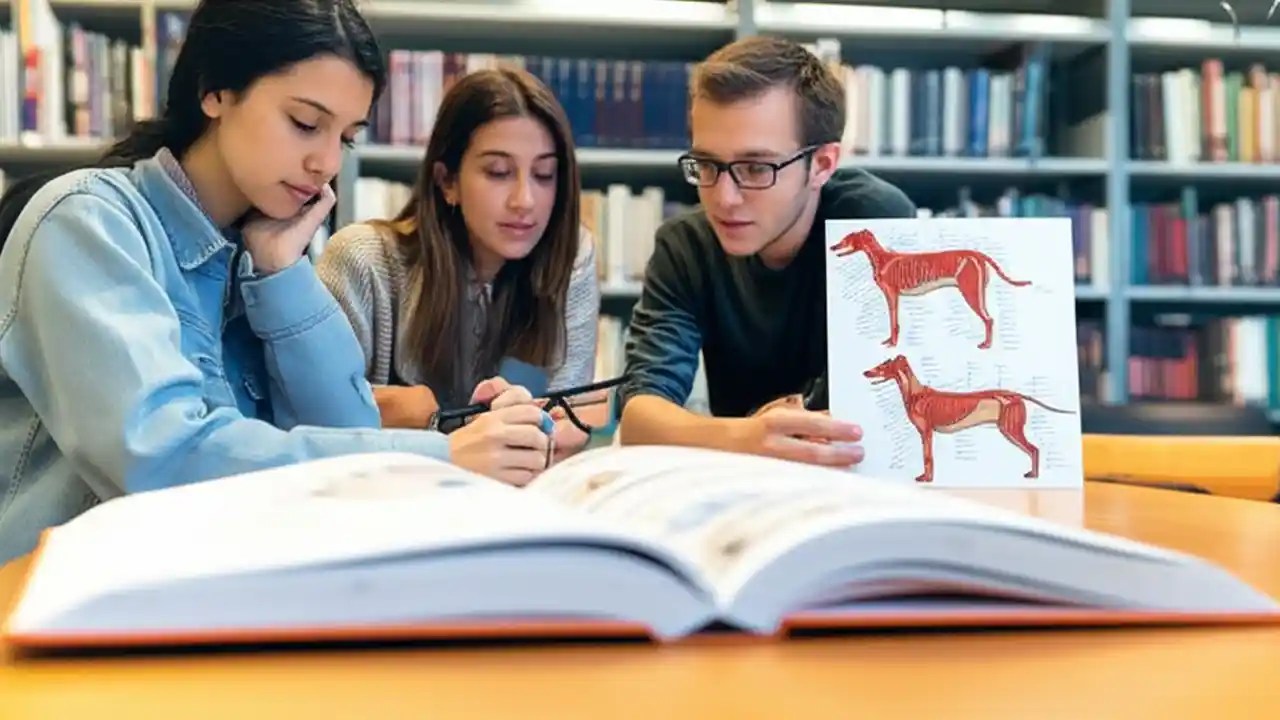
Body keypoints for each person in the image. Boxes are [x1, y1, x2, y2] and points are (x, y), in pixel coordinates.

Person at [0, 0, 551, 565]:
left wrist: (282, 275)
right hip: (56, 608)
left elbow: (345, 430)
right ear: (215, 90)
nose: (326, 163)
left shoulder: (261, 254)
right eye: (306, 124)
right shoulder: (88, 221)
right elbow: (162, 458)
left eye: (346, 138)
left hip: (205, 594)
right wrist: (438, 459)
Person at [616, 35, 917, 467]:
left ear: (823, 165)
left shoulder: (872, 222)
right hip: (746, 485)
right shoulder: (684, 246)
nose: (723, 198)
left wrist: (721, 436)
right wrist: (745, 436)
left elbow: (868, 414)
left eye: (756, 168)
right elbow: (640, 417)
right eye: (706, 165)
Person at [317, 66, 600, 461]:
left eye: (544, 174)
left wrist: (552, 428)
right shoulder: (363, 260)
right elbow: (318, 420)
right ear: (446, 181)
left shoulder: (570, 257)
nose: (525, 200)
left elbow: (572, 421)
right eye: (498, 172)